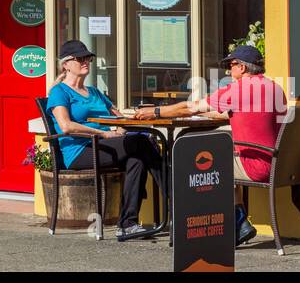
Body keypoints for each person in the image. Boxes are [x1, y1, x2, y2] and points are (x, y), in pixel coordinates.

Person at [145, 43, 285, 246]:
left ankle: (195, 225)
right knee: (223, 157)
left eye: (231, 65)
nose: (229, 70)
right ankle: (240, 223)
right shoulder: (274, 87)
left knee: (204, 161)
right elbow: (232, 111)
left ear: (242, 67)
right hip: (277, 163)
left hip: (256, 166)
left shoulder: (240, 90)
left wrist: (155, 112)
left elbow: (190, 107)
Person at [46, 40, 164, 242]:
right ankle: (177, 200)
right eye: (80, 58)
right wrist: (103, 133)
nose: (86, 62)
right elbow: (66, 126)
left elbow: (119, 118)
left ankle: (127, 225)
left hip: (105, 146)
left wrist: (123, 126)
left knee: (137, 158)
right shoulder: (60, 92)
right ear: (66, 64)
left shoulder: (95, 92)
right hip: (80, 150)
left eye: (88, 58)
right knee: (142, 144)